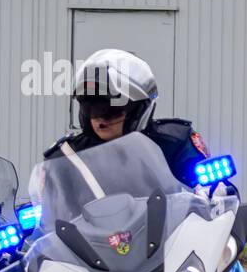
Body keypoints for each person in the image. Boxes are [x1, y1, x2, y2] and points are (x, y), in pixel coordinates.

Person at [44, 49, 219, 189]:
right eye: (90, 108)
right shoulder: (67, 155)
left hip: (169, 233)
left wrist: (216, 192)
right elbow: (49, 216)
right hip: (88, 235)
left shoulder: (174, 143)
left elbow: (211, 196)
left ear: (139, 109)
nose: (98, 118)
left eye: (109, 109)